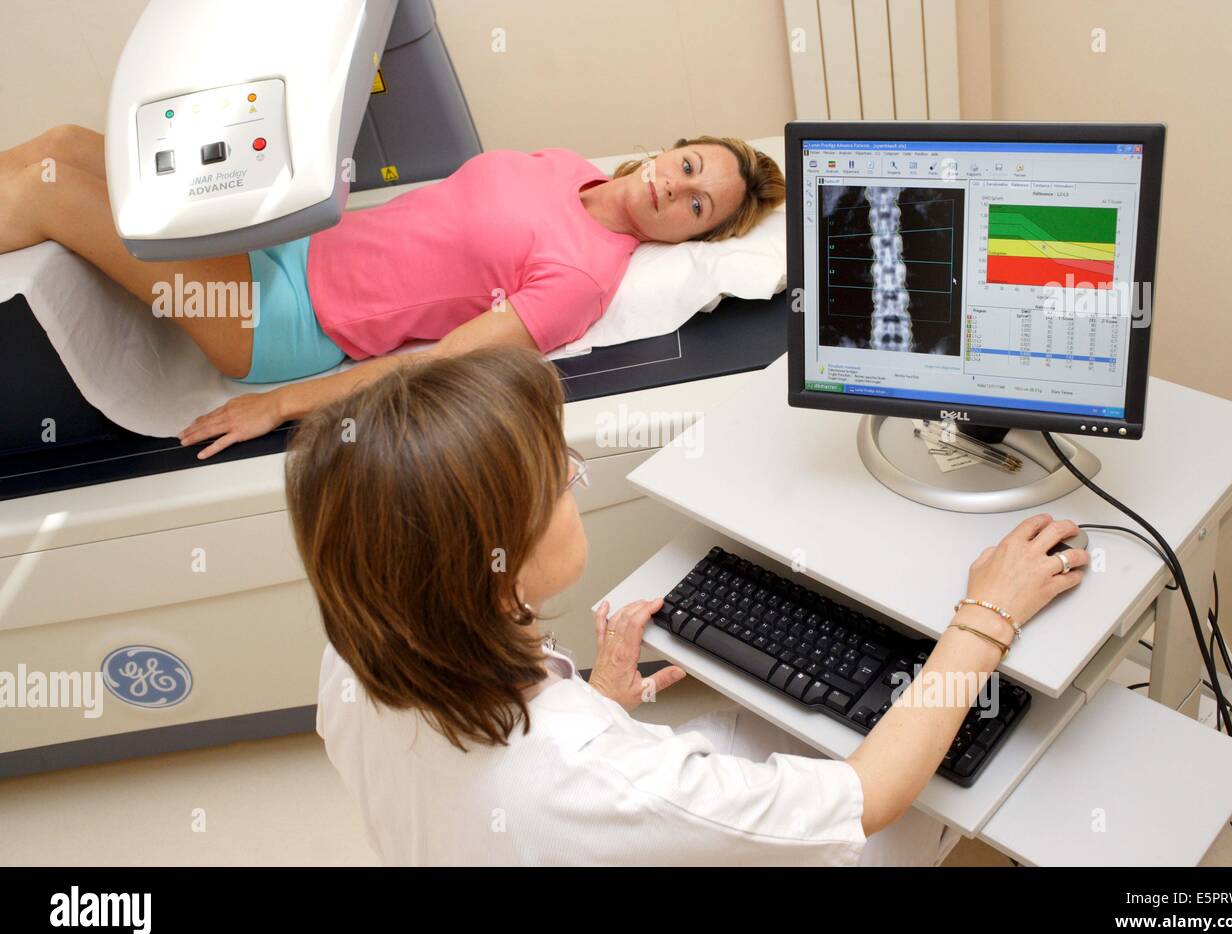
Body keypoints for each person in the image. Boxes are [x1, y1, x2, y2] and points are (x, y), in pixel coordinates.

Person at [284, 346, 1090, 866]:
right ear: (496, 569)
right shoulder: (590, 778)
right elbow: (866, 800)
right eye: (556, 476)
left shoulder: (359, 647)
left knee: (771, 725)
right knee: (925, 796)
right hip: (566, 813)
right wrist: (985, 617)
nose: (572, 473)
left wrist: (594, 703)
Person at [0, 125, 783, 457]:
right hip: (282, 242)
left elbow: (442, 362)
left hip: (282, 316)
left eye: (697, 207)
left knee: (49, 192)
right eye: (687, 169)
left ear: (696, 237)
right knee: (67, 145)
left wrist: (282, 403)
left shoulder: (582, 282)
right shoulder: (564, 165)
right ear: (670, 153)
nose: (674, 192)